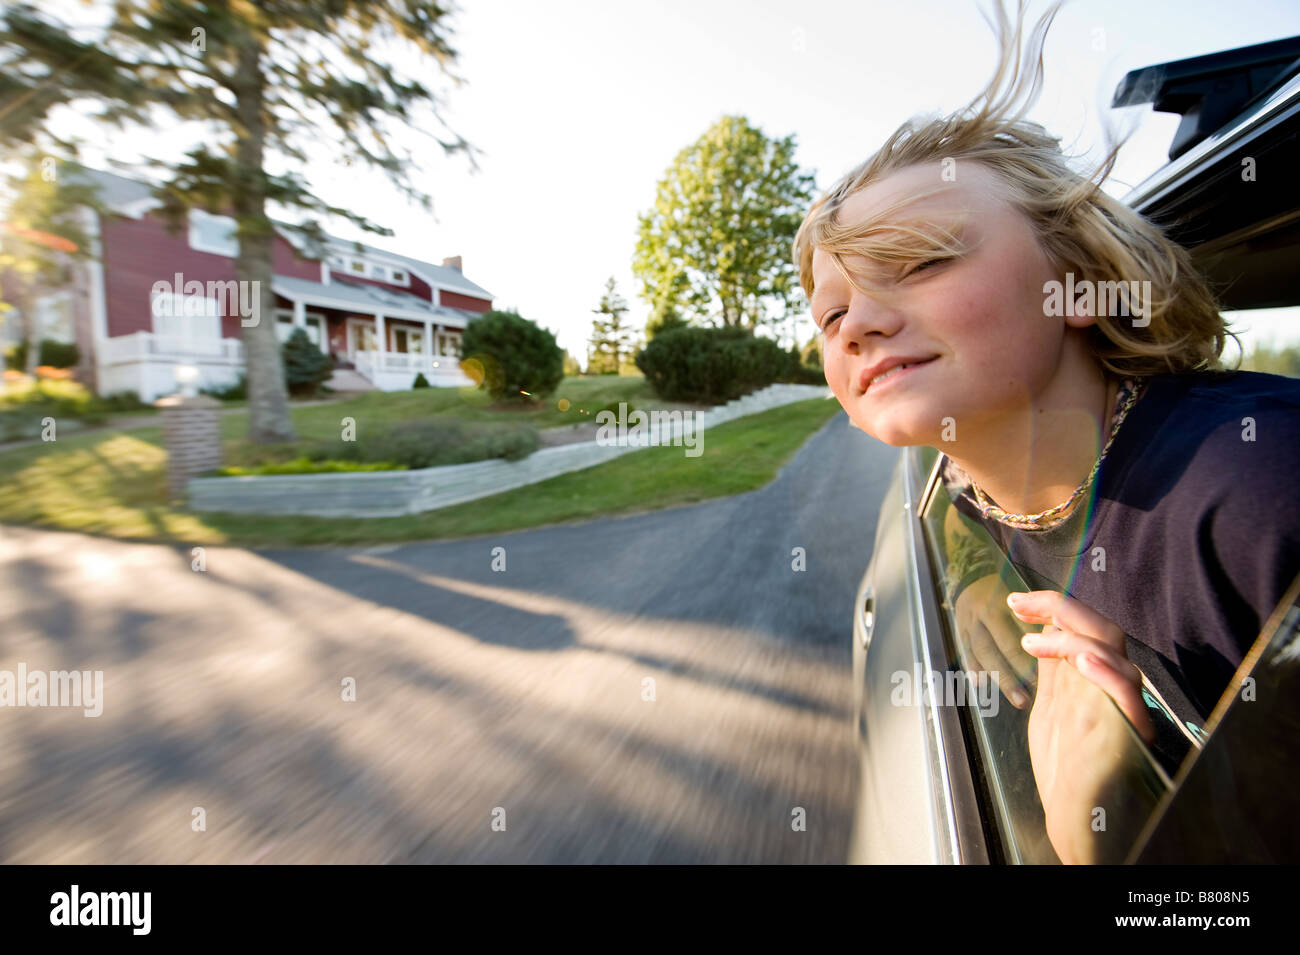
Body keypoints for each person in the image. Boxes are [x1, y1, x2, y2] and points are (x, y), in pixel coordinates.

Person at [793, 0, 1300, 861]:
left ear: (1075, 276)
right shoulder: (972, 482)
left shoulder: (1258, 488)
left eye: (918, 261)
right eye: (829, 310)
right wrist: (974, 582)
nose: (857, 324)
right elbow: (974, 503)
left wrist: (1113, 831)